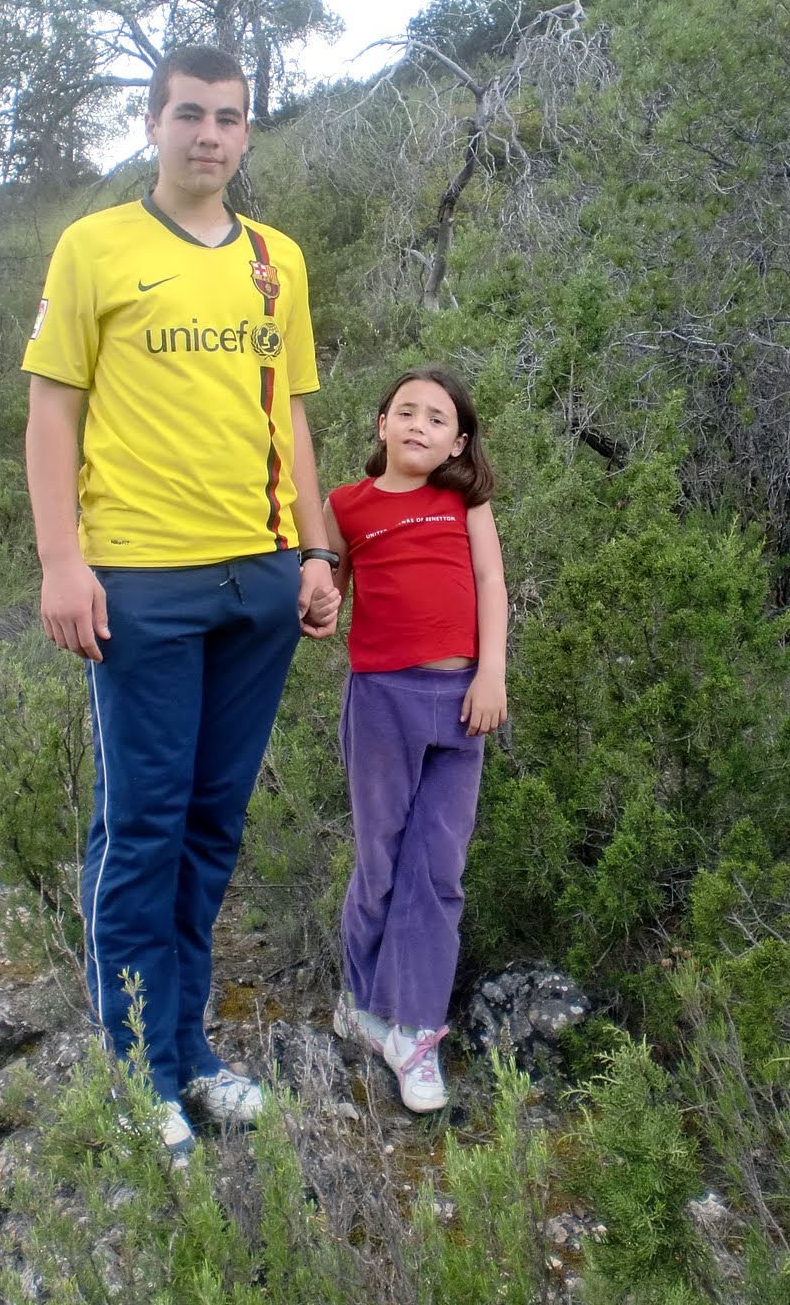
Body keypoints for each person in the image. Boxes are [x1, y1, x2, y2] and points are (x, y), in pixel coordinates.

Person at [21, 44, 339, 1160]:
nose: (210, 134)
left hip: (257, 581)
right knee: (141, 828)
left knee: (213, 826)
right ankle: (134, 1068)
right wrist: (63, 561)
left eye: (230, 118)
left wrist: (314, 549)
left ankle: (191, 1053)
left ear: (249, 133)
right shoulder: (96, 245)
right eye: (190, 114)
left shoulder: (276, 261)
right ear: (153, 123)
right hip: (139, 585)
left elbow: (289, 414)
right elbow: (53, 410)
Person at [323, 366, 507, 1112]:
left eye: (436, 419)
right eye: (404, 411)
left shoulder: (462, 501)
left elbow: (490, 583)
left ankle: (414, 1030)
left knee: (436, 869)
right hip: (382, 702)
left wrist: (489, 673)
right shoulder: (345, 506)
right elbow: (323, 589)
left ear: (456, 441)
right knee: (381, 858)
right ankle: (359, 1001)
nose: (417, 425)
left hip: (461, 699)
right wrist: (310, 598)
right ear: (380, 423)